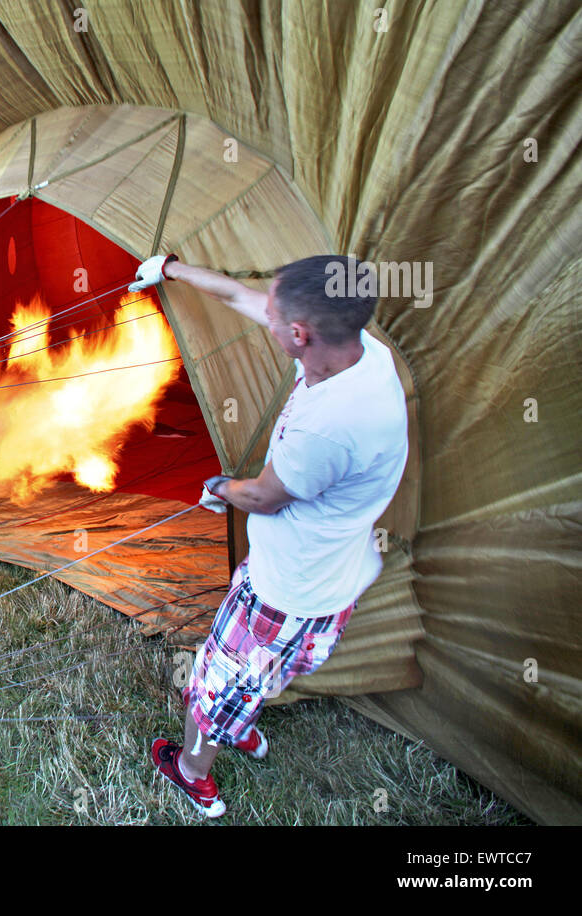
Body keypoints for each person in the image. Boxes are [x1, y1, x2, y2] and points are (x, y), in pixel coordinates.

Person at [132, 253, 408, 818]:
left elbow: (263, 495)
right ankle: (246, 724)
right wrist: (172, 269)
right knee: (268, 670)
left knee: (215, 684)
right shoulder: (361, 352)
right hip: (335, 577)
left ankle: (192, 773)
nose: (267, 316)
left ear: (299, 333)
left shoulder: (329, 428)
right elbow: (239, 296)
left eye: (277, 316)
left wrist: (220, 487)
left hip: (286, 589)